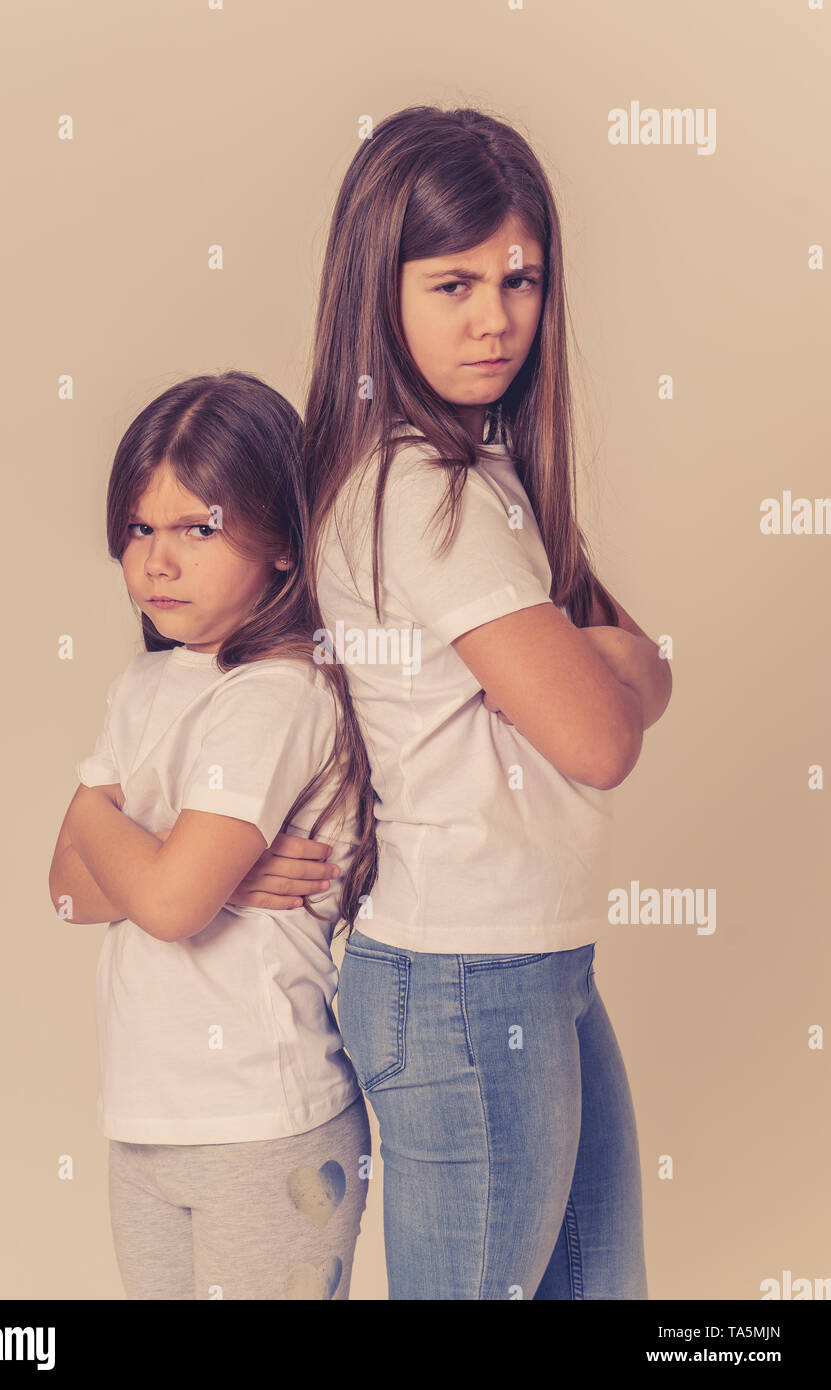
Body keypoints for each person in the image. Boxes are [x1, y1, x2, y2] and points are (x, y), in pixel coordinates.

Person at [302, 105, 673, 1299]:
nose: (496, 318)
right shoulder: (420, 485)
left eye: (520, 279)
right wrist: (596, 667)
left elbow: (636, 661)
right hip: (463, 975)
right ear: (380, 287)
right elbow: (606, 731)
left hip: (537, 956)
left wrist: (596, 661)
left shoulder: (486, 469)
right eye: (452, 282)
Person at [48, 371, 377, 1300]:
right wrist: (194, 877)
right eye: (140, 529)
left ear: (278, 539)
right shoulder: (144, 687)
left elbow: (160, 902)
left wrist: (95, 817)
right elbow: (67, 894)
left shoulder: (276, 691)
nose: (159, 560)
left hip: (263, 1120)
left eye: (199, 528)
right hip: (147, 1113)